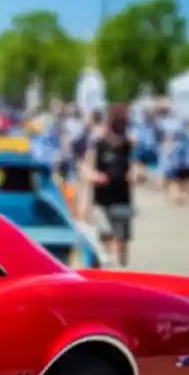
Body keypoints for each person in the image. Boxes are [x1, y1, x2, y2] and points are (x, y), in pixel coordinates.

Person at [84, 107, 136, 267]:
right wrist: (94, 176)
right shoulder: (99, 144)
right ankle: (106, 262)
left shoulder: (129, 145)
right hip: (102, 197)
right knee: (104, 233)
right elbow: (87, 167)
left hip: (122, 196)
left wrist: (135, 174)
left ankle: (121, 265)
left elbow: (135, 166)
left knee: (122, 237)